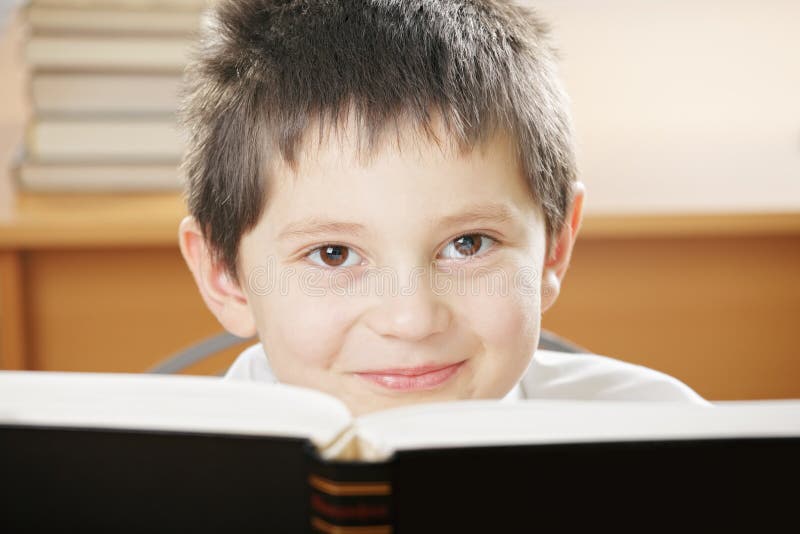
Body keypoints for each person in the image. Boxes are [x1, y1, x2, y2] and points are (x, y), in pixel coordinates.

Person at [177, 0, 707, 415]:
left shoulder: (673, 437)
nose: (411, 320)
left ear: (555, 248)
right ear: (225, 274)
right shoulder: (159, 480)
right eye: (333, 253)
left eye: (468, 244)